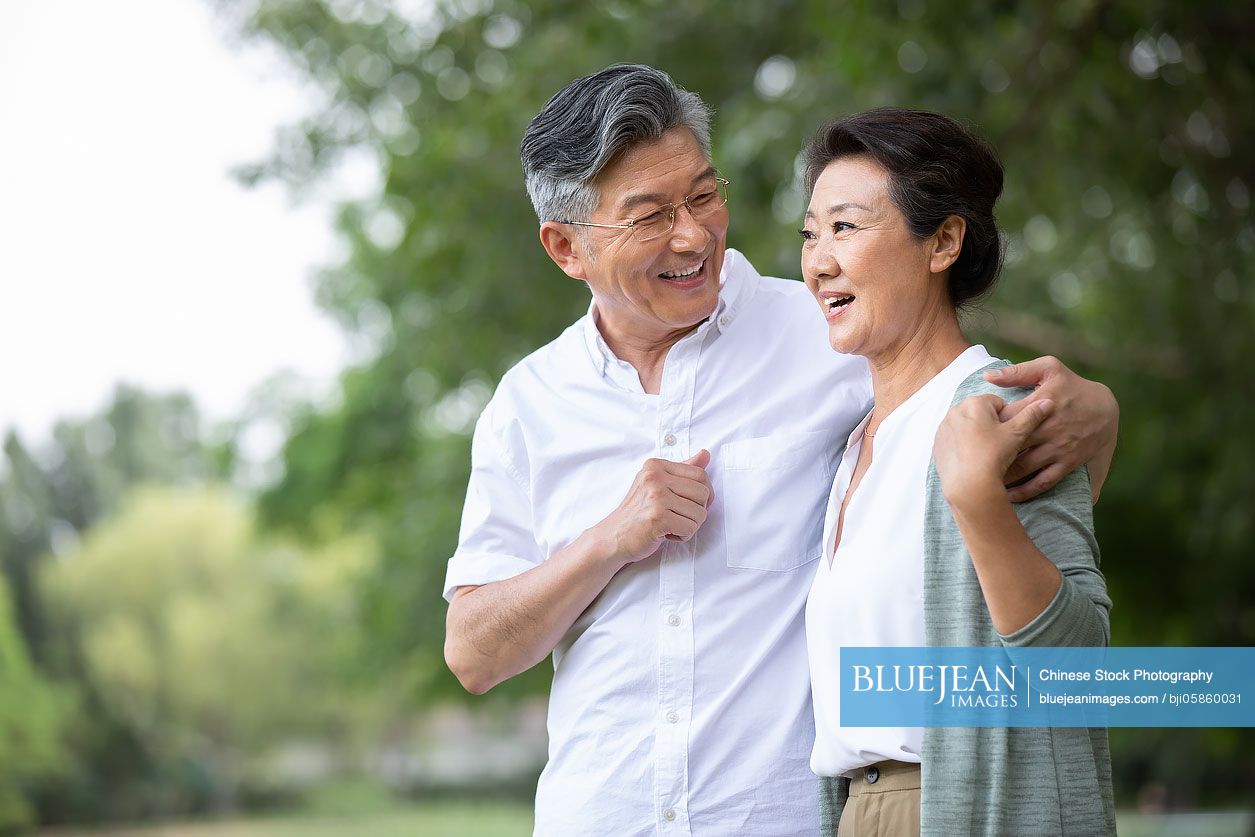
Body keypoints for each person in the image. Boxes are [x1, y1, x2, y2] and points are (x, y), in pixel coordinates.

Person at [442, 64, 1119, 836]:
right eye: (648, 215)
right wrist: (609, 540)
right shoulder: (527, 406)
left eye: (702, 195)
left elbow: (964, 411)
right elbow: (473, 654)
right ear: (567, 247)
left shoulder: (830, 332)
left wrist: (1098, 412)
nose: (693, 235)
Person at [800, 109, 1114, 836]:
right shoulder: (851, 447)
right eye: (810, 234)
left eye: (845, 228)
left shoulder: (1000, 412)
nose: (818, 260)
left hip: (963, 810)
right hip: (860, 808)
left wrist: (976, 499)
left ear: (942, 240)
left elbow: (1079, 666)